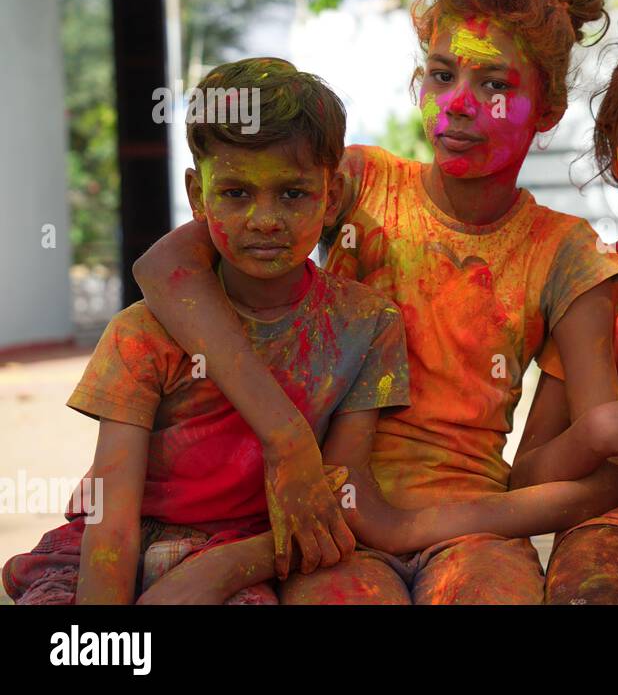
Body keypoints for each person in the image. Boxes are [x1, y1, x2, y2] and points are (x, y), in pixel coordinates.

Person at [130, 0, 618, 604]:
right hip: (325, 511)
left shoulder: (564, 251)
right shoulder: (355, 183)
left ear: (547, 109)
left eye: (494, 83)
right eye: (442, 74)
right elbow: (164, 269)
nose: (459, 102)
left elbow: (600, 478)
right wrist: (287, 438)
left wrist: (419, 524)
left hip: (473, 531)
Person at [3, 58, 408, 604]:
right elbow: (112, 523)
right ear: (198, 196)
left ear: (330, 197)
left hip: (246, 550)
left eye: (292, 194)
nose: (265, 220)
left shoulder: (367, 326)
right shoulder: (141, 334)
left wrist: (219, 568)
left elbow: (335, 497)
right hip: (102, 552)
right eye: (236, 193)